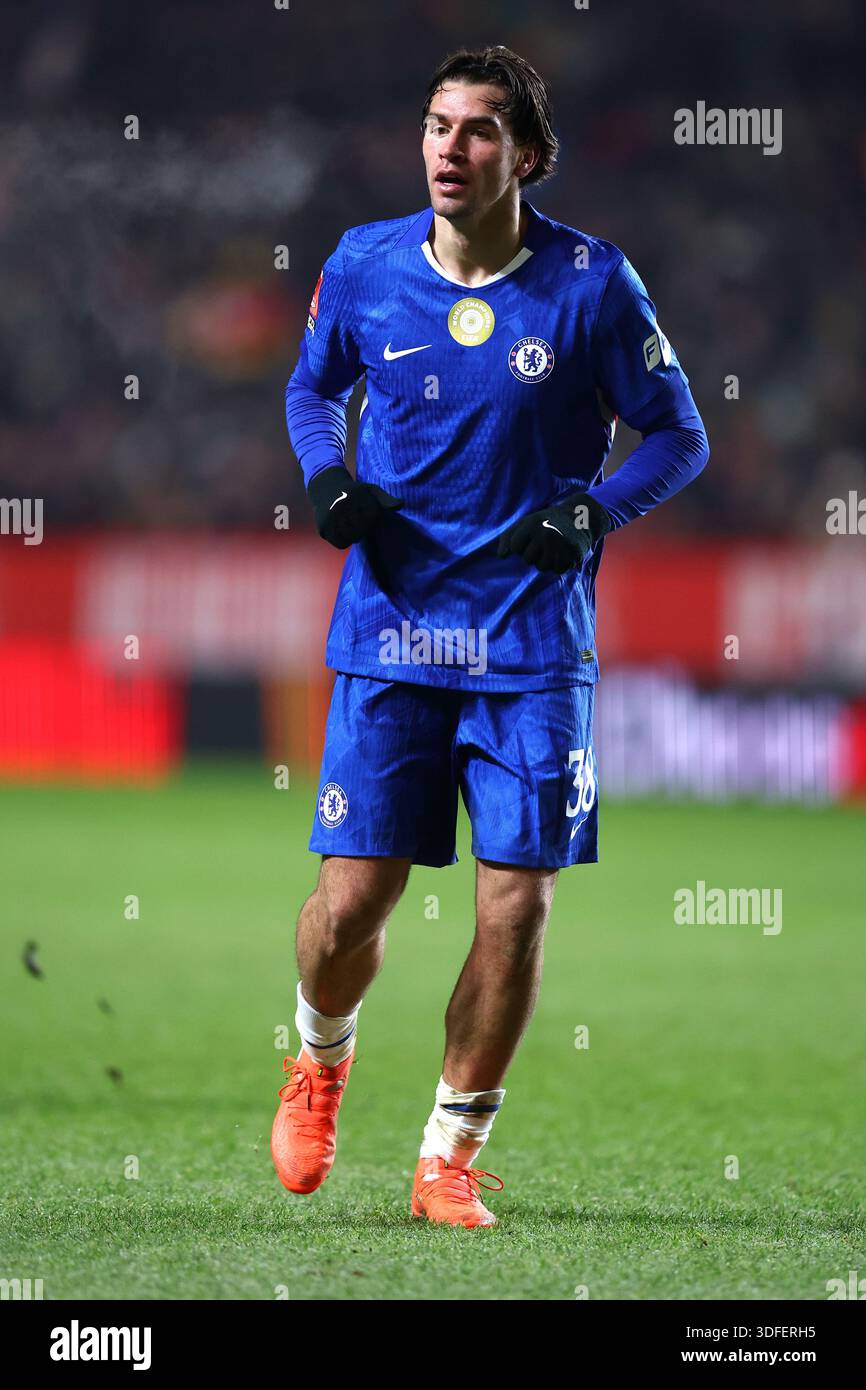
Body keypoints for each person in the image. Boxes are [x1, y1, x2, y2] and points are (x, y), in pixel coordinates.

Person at [275, 45, 709, 1227]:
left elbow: (678, 435)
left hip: (529, 653)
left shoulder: (592, 284)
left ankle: (447, 1157)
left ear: (526, 154)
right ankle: (318, 1054)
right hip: (391, 635)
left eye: (475, 130)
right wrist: (325, 475)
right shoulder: (363, 265)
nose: (448, 148)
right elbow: (310, 388)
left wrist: (593, 511)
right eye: (435, 125)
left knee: (514, 909)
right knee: (350, 905)